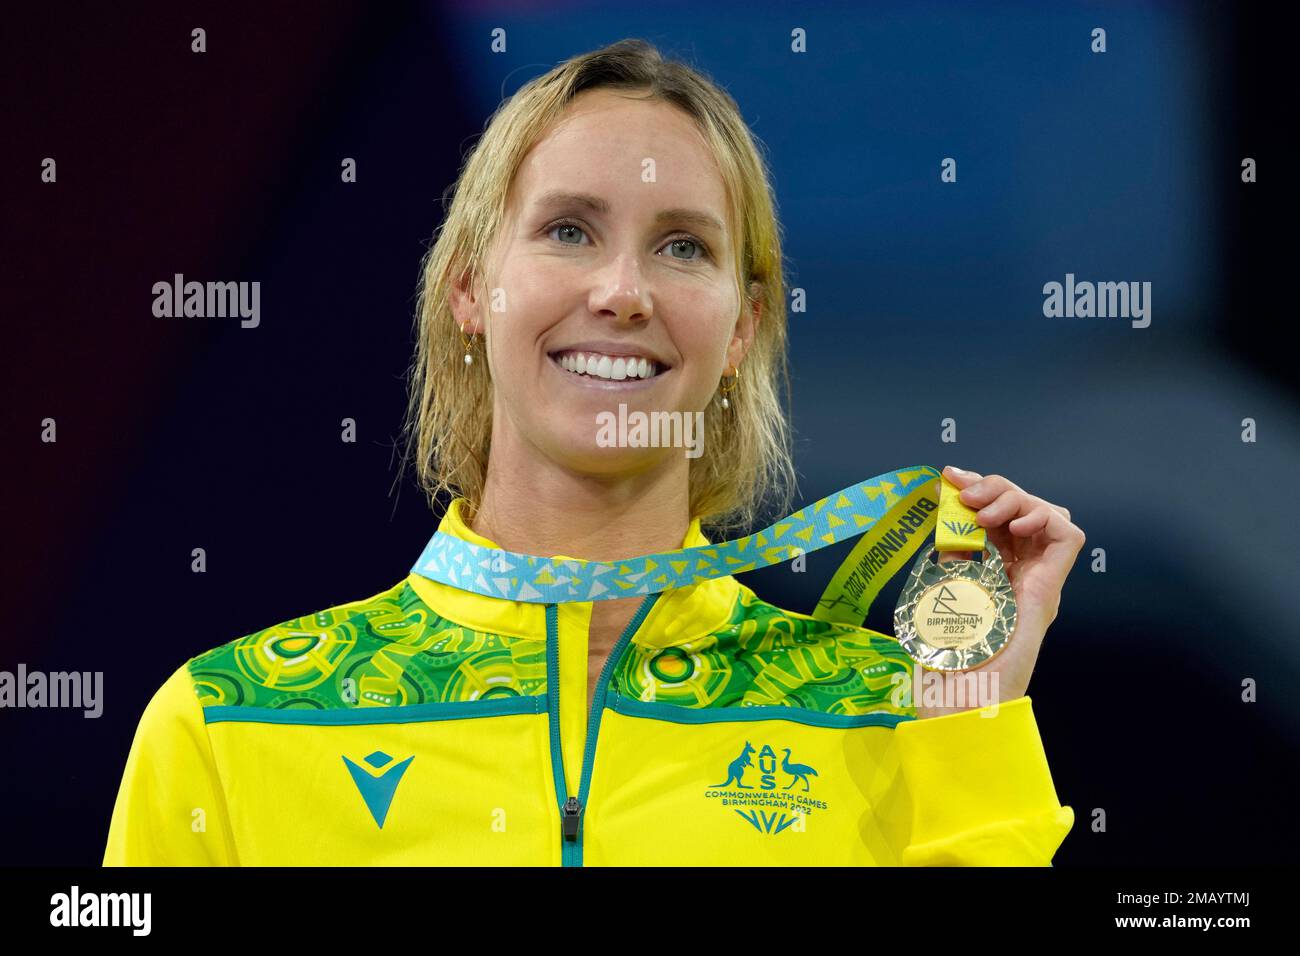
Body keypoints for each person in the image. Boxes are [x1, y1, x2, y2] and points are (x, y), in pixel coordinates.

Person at [103, 38, 1085, 866]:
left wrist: (965, 714)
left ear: (740, 327)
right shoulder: (231, 722)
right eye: (569, 230)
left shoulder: (892, 714)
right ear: (468, 289)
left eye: (683, 246)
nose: (623, 290)